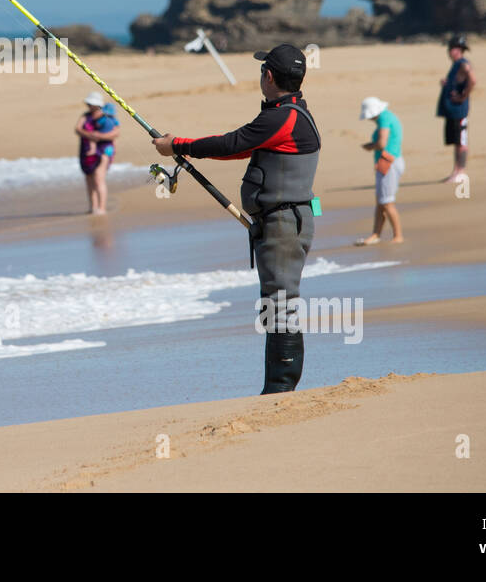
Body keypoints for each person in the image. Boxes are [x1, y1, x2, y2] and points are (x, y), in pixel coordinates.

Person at [151, 43, 320, 395]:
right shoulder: (290, 114)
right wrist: (182, 148)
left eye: (262, 70)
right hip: (283, 221)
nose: (261, 75)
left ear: (269, 76)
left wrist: (177, 145)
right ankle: (278, 387)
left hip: (283, 223)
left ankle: (279, 390)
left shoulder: (283, 116)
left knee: (280, 302)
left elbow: (232, 143)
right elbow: (244, 148)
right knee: (277, 301)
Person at [356, 97, 404, 245]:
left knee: (387, 202)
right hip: (390, 161)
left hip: (388, 162)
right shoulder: (387, 116)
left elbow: (382, 143)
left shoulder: (384, 118)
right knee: (381, 202)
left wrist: (371, 146)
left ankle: (398, 236)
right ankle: (376, 234)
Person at [436, 35, 475, 184]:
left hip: (460, 111)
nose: (449, 51)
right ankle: (456, 171)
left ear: (458, 50)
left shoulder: (463, 63)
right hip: (452, 111)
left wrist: (463, 95)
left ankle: (461, 172)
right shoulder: (456, 64)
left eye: (452, 48)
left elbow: (473, 79)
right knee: (456, 142)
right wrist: (447, 83)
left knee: (462, 142)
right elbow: (459, 80)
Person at [75, 92, 122, 214]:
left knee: (98, 177)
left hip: (104, 149)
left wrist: (99, 136)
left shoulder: (107, 116)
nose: (89, 106)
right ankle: (93, 207)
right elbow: (78, 129)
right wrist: (90, 135)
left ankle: (102, 208)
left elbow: (116, 133)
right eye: (89, 104)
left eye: (92, 104)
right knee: (89, 177)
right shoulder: (85, 116)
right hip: (86, 149)